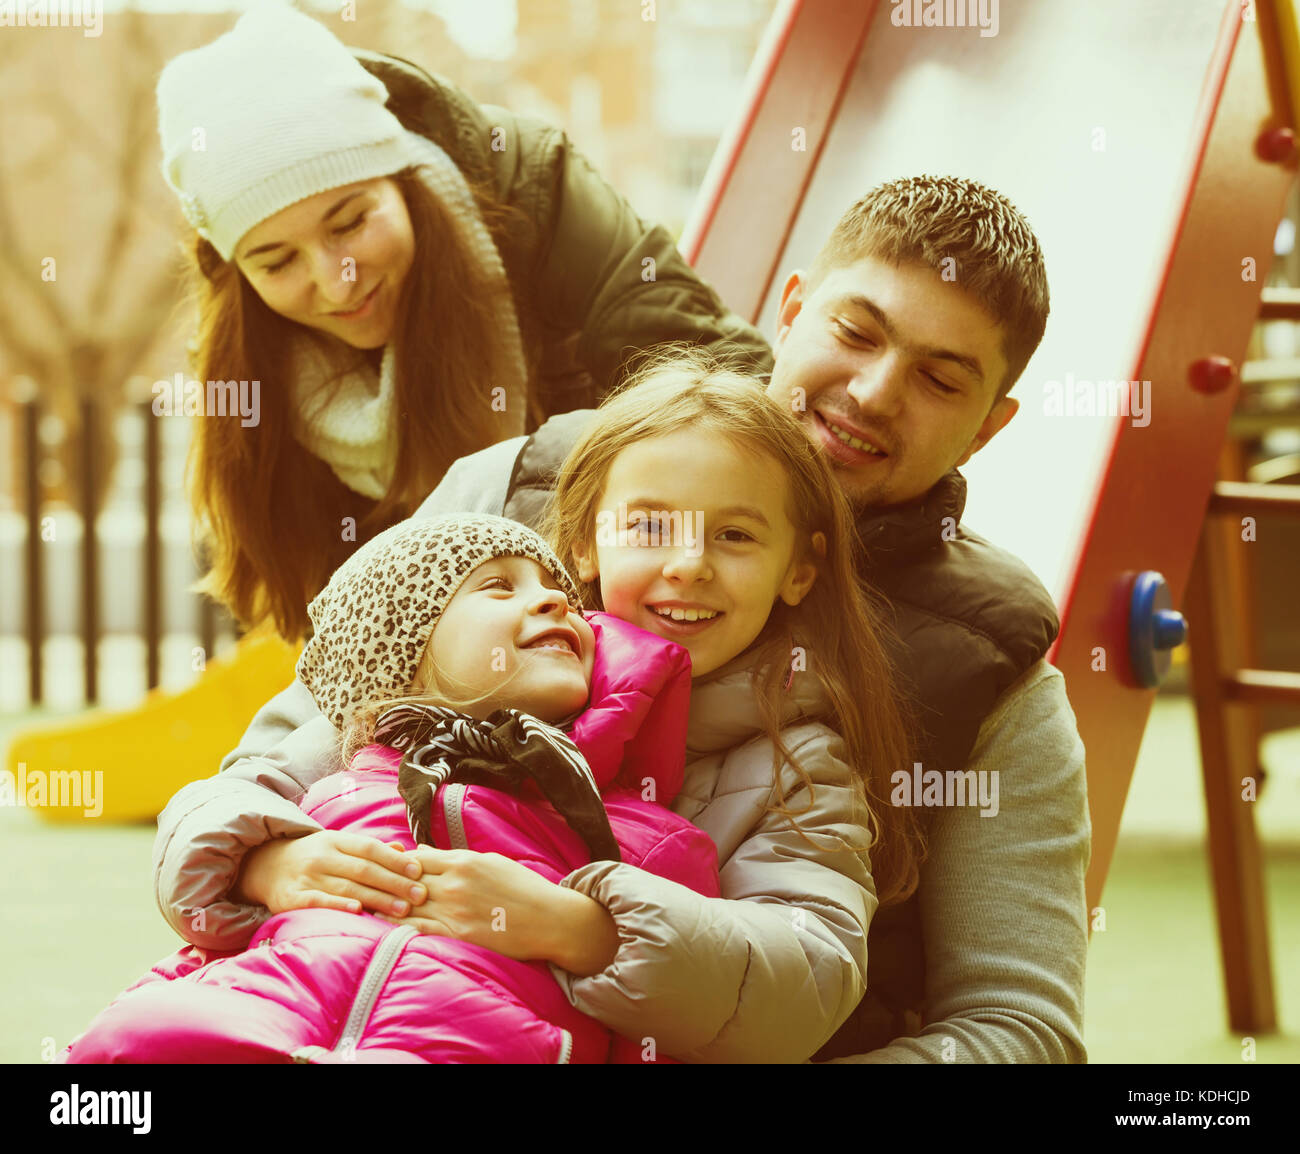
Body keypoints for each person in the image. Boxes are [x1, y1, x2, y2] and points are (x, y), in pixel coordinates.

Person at [164, 175, 1091, 1063]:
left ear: (988, 427)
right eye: (856, 331)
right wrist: (264, 864)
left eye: (940, 379)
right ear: (795, 305)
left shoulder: (988, 667)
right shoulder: (508, 492)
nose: (877, 390)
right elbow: (272, 775)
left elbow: (1021, 1029)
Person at [148, 363, 922, 1063]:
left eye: (735, 534)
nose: (689, 563)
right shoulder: (485, 672)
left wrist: (577, 928)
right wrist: (264, 862)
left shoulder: (796, 762)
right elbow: (239, 791)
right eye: (650, 527)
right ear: (587, 545)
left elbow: (808, 976)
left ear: (800, 570)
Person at [155, 3, 767, 641]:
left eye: (351, 222)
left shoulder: (537, 199)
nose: (337, 279)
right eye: (278, 260)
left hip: (640, 625)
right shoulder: (248, 362)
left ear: (402, 179)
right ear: (239, 275)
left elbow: (722, 397)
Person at [66, 514, 724, 1063]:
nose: (557, 600)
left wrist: (579, 932)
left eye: (560, 591)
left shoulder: (632, 835)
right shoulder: (328, 793)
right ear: (400, 659)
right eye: (498, 586)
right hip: (267, 1021)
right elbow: (202, 939)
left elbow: (687, 991)